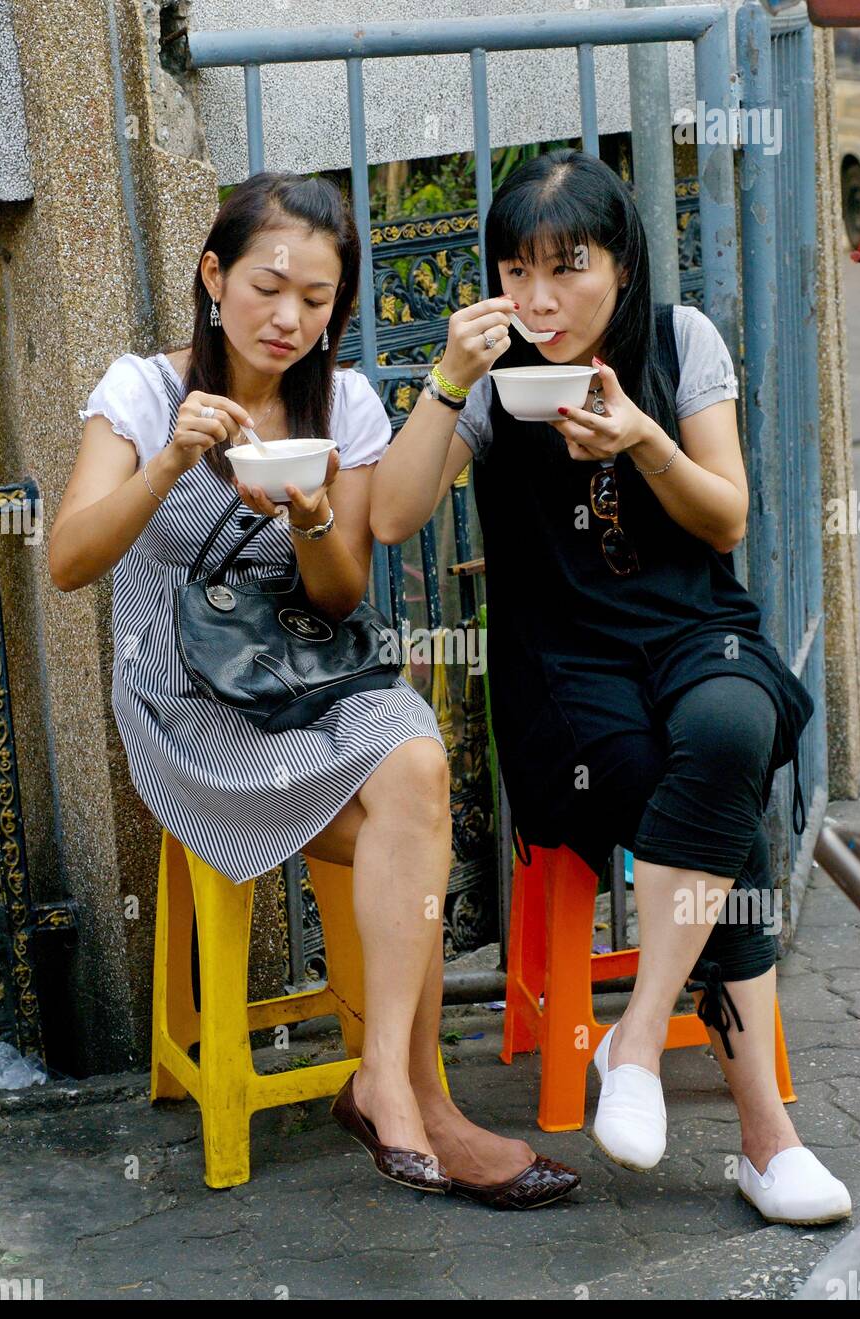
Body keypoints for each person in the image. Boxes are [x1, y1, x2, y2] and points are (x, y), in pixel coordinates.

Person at [48, 172, 579, 1210]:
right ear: (214, 276)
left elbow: (339, 593)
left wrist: (308, 510)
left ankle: (386, 1077)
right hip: (183, 696)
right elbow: (66, 559)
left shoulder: (341, 404)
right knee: (410, 811)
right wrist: (171, 464)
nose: (290, 317)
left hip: (310, 672)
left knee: (416, 761)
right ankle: (423, 1097)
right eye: (267, 285)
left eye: (319, 297)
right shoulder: (141, 393)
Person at [371, 149, 852, 1226]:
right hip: (563, 671)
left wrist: (642, 440)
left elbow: (725, 518)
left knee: (728, 725)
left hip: (693, 639)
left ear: (621, 267)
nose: (539, 300)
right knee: (717, 797)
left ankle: (634, 1037)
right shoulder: (492, 387)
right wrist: (449, 382)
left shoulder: (681, 345)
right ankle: (769, 1142)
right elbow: (393, 519)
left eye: (568, 267)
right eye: (516, 270)